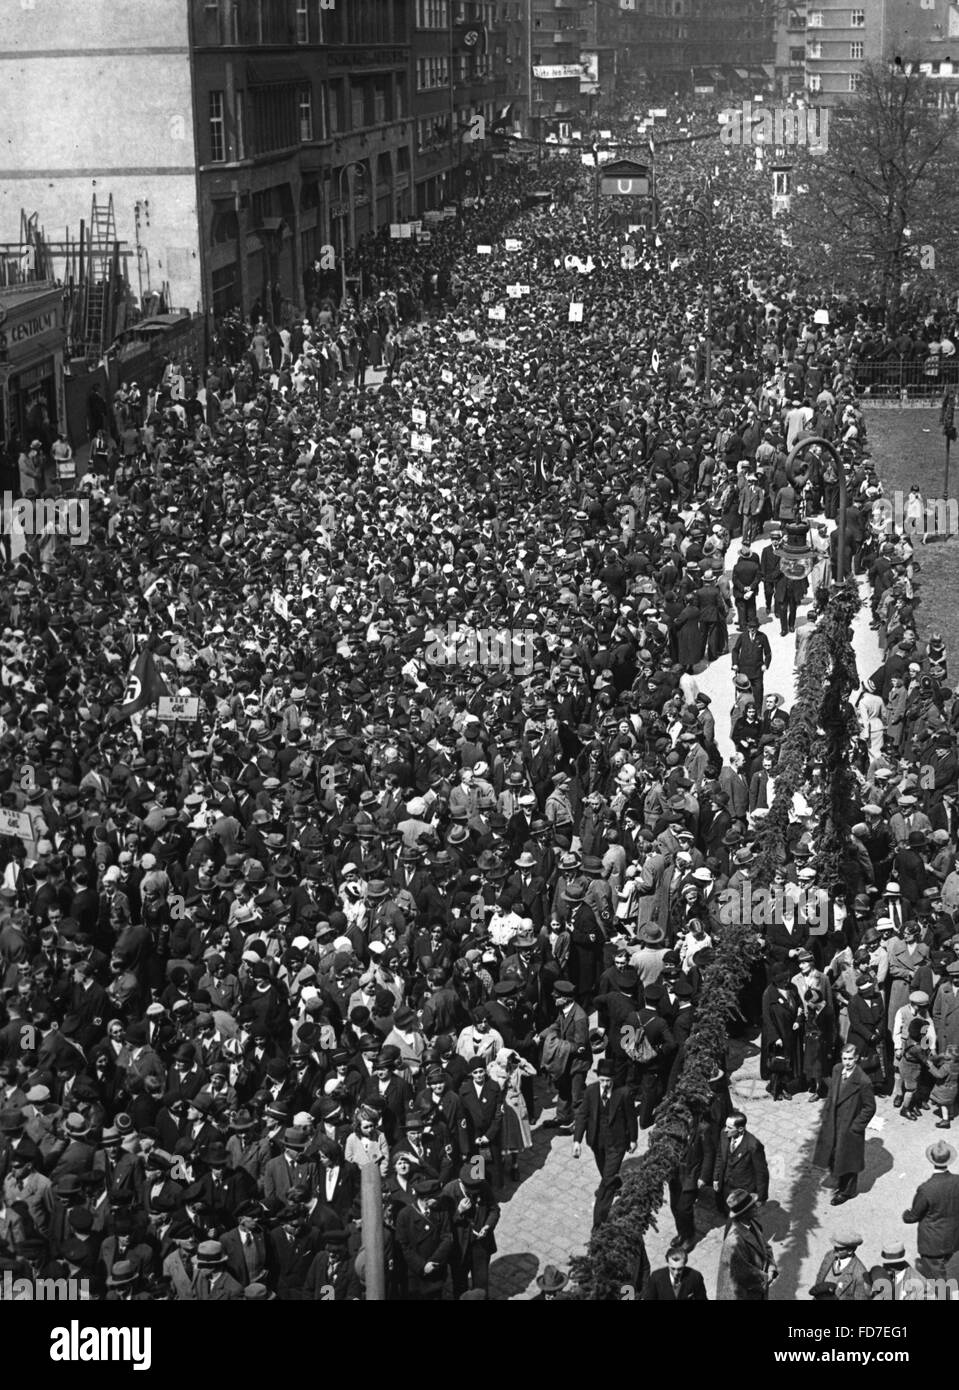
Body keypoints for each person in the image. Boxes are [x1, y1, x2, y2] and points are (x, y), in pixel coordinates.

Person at [572, 1057, 637, 1230]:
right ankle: (615, 1182)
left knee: (605, 1183)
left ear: (613, 1079)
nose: (605, 1084)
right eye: (602, 1080)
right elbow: (582, 1116)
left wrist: (633, 1139)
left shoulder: (623, 1093)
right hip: (597, 1141)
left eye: (608, 1080)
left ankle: (598, 1222)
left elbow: (631, 1118)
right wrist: (577, 1140)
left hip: (617, 1143)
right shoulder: (591, 1092)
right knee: (605, 1172)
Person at [813, 1043, 877, 1205]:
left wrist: (856, 1127)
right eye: (844, 1058)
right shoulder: (837, 1070)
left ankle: (847, 1191)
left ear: (856, 1059)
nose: (847, 1062)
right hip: (833, 1122)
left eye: (850, 1059)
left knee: (849, 1160)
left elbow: (870, 1108)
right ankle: (838, 1177)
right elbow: (833, 1092)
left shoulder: (863, 1081)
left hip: (849, 1127)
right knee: (834, 1153)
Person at [902, 1139, 959, 1279]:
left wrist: (906, 1214)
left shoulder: (926, 1188)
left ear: (932, 1160)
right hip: (954, 1235)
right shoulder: (957, 1181)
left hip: (932, 1242)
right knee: (952, 1271)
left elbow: (913, 1216)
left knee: (938, 1277)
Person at [716, 1189, 777, 1301]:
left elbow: (765, 1247)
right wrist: (766, 1277)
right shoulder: (733, 1241)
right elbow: (744, 1272)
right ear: (743, 1213)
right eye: (752, 1207)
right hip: (742, 1293)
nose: (757, 1207)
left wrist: (772, 1266)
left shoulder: (753, 1224)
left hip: (757, 1287)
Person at [713, 1111, 770, 1216]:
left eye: (729, 1128)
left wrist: (761, 1198)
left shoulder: (753, 1145)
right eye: (726, 1126)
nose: (726, 1130)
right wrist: (716, 1178)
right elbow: (719, 1156)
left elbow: (761, 1173)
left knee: (743, 1215)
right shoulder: (724, 1134)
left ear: (740, 1129)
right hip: (726, 1184)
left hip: (743, 1189)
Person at [812, 1229, 870, 1301]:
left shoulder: (860, 1274)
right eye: (835, 1247)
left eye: (840, 1249)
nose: (835, 1251)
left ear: (850, 1251)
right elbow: (819, 1281)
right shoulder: (829, 1256)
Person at [642, 1245, 708, 1301]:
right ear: (667, 1263)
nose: (676, 1273)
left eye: (680, 1269)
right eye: (672, 1268)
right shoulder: (656, 1278)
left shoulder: (695, 1277)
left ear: (685, 1263)